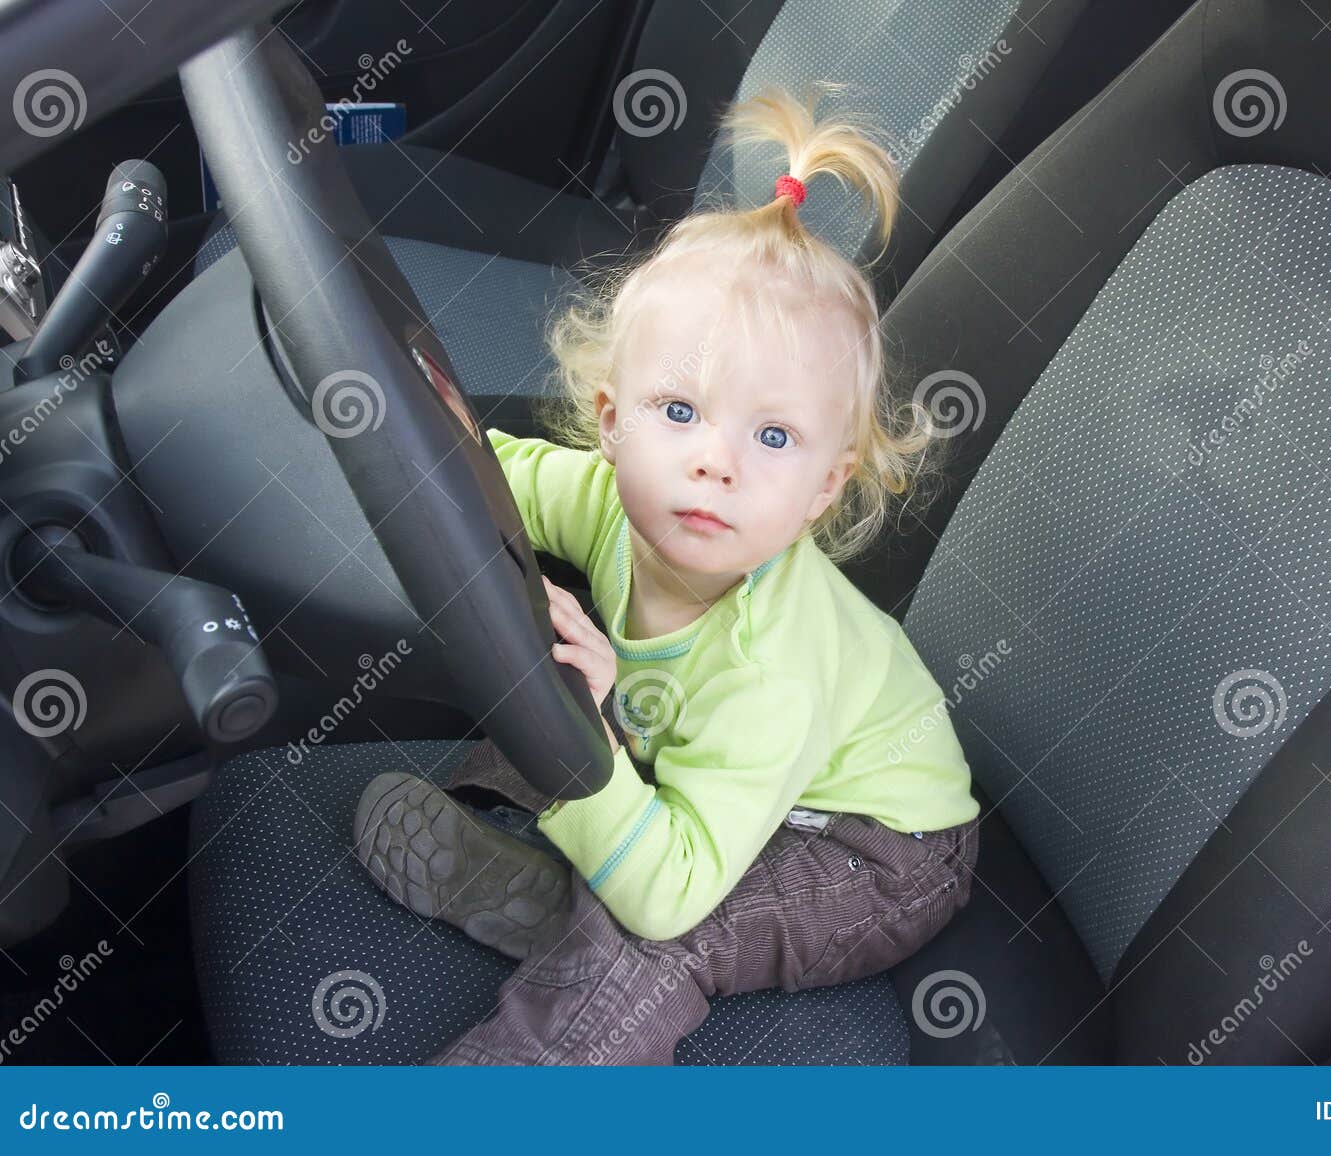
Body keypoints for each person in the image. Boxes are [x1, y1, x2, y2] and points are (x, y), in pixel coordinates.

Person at [353, 86, 980, 1065]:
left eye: (772, 435)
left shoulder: (771, 666)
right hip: (716, 765)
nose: (714, 462)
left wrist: (594, 739)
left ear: (827, 483)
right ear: (612, 421)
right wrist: (413, 430)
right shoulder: (611, 496)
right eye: (679, 411)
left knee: (661, 932)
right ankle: (545, 889)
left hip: (870, 849)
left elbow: (672, 892)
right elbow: (488, 482)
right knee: (541, 713)